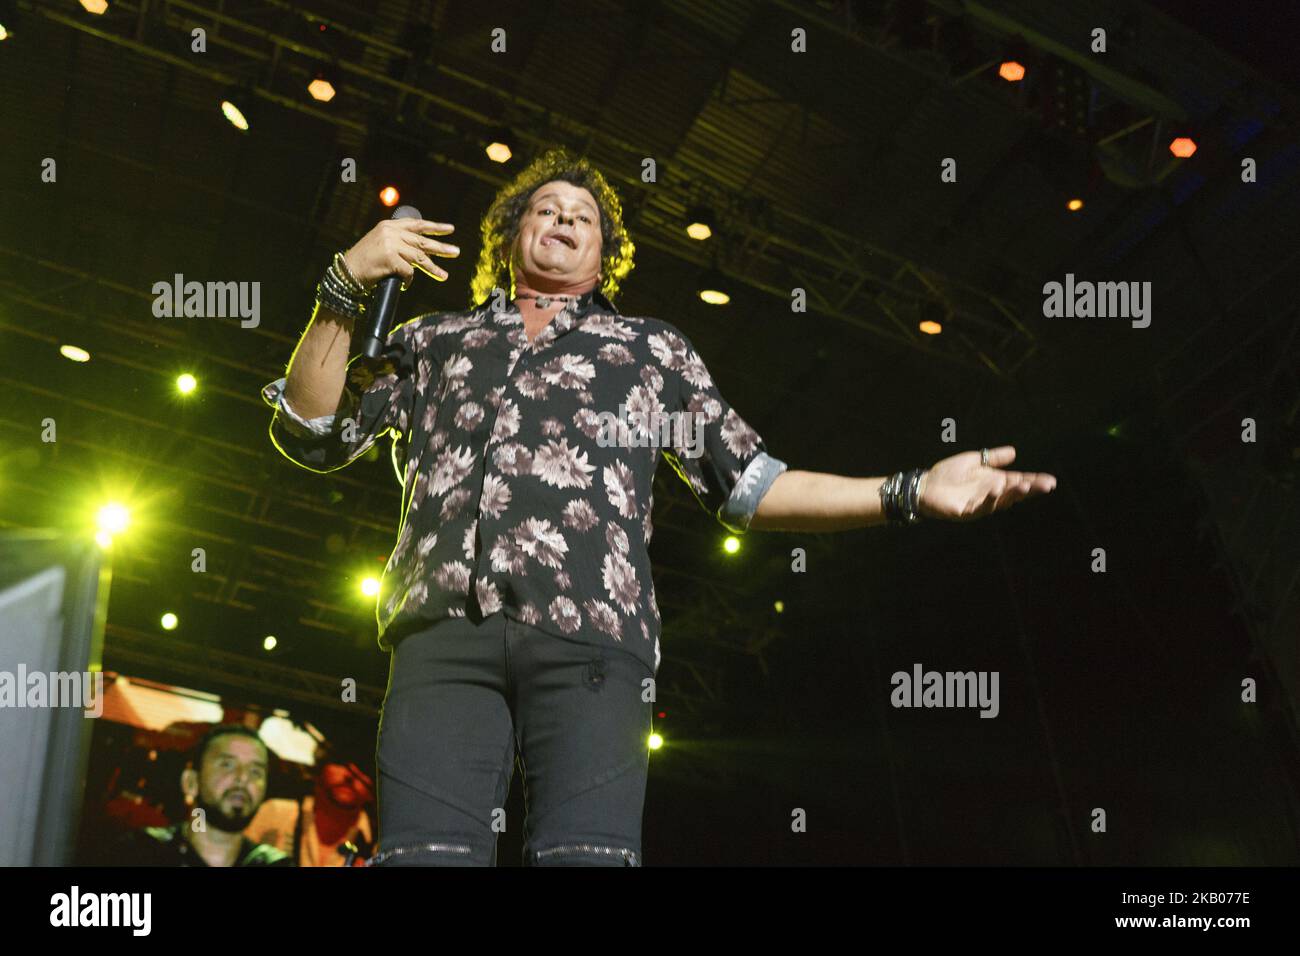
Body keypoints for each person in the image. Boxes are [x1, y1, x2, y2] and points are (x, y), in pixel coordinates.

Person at [262, 147, 1056, 867]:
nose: (566, 218)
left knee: (588, 861)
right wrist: (346, 282)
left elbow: (751, 485)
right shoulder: (435, 339)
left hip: (595, 648)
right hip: (441, 639)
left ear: (606, 255)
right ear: (509, 235)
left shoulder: (650, 351)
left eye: (585, 217)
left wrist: (910, 490)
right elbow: (310, 431)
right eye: (546, 208)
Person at [96, 724, 293, 867]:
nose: (243, 778)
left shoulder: (273, 865)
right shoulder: (141, 853)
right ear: (191, 782)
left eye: (255, 772)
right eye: (227, 765)